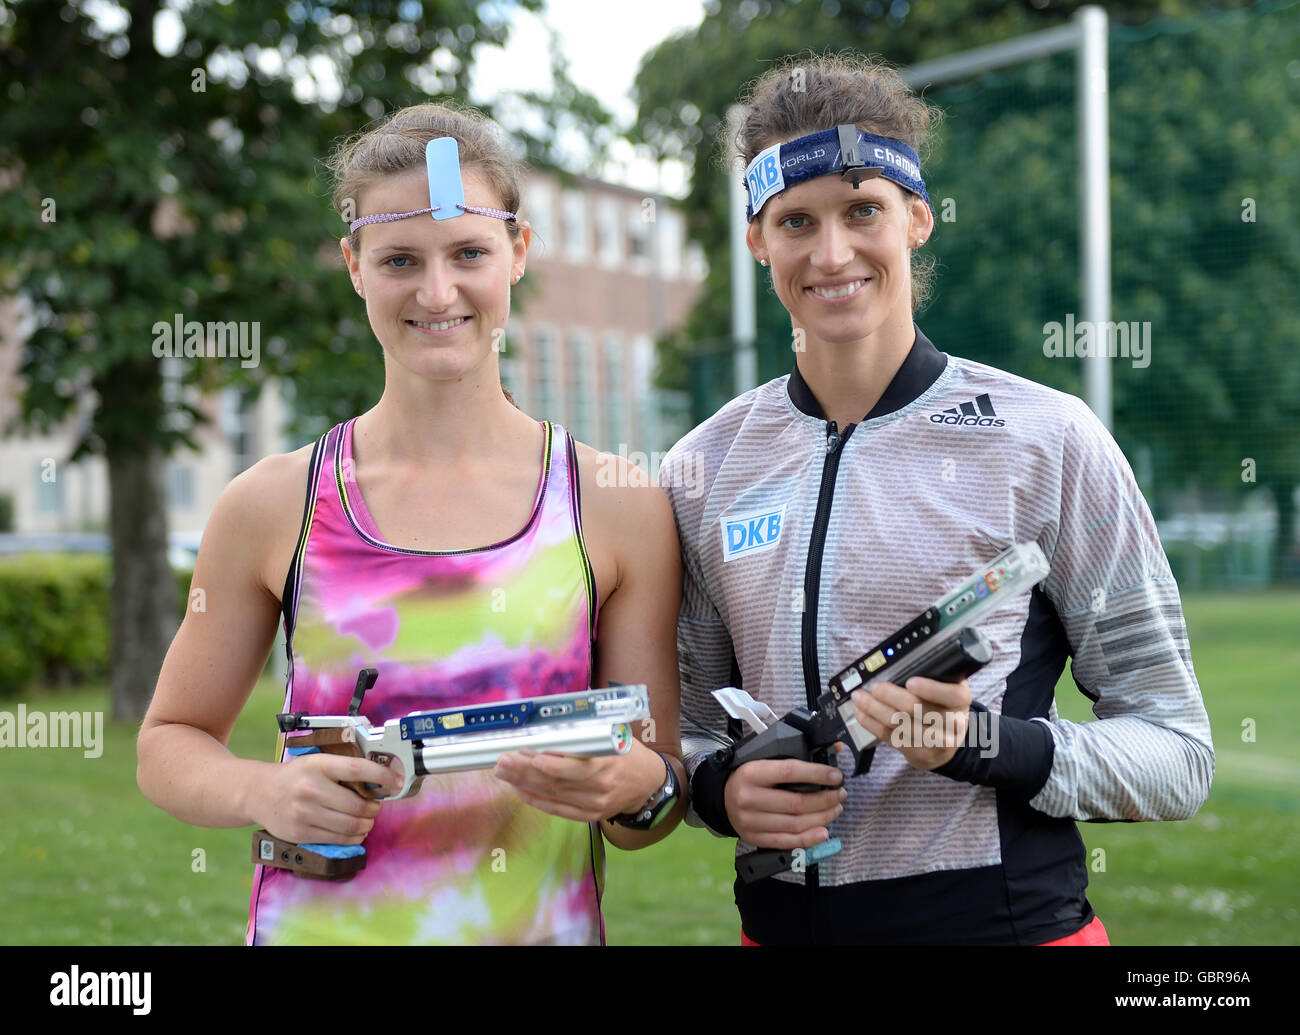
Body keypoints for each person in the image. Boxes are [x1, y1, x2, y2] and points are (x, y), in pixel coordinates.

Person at [658, 54, 1214, 945]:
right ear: (758, 239)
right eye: (796, 220)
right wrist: (718, 788)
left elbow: (1177, 753)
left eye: (863, 210)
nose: (832, 252)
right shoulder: (700, 467)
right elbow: (675, 742)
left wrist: (988, 745)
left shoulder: (1049, 437)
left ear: (917, 219)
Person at [137, 102, 686, 946]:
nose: (438, 293)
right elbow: (167, 742)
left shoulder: (615, 502)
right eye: (400, 259)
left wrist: (631, 785)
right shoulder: (271, 503)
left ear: (519, 254)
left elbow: (651, 807)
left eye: (470, 252)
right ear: (354, 266)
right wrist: (263, 792)